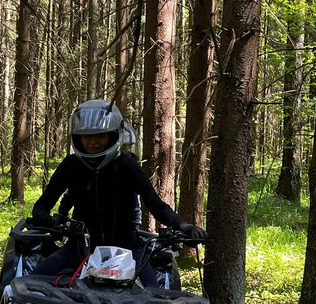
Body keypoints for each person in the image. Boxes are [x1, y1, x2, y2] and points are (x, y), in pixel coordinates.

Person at [30, 99, 205, 286]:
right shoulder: (71, 165)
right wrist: (45, 218)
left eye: (100, 135)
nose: (93, 142)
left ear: (114, 135)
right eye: (86, 136)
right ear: (77, 138)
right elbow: (43, 203)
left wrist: (183, 226)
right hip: (78, 248)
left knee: (153, 293)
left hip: (127, 250)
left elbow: (156, 205)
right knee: (28, 285)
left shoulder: (127, 166)